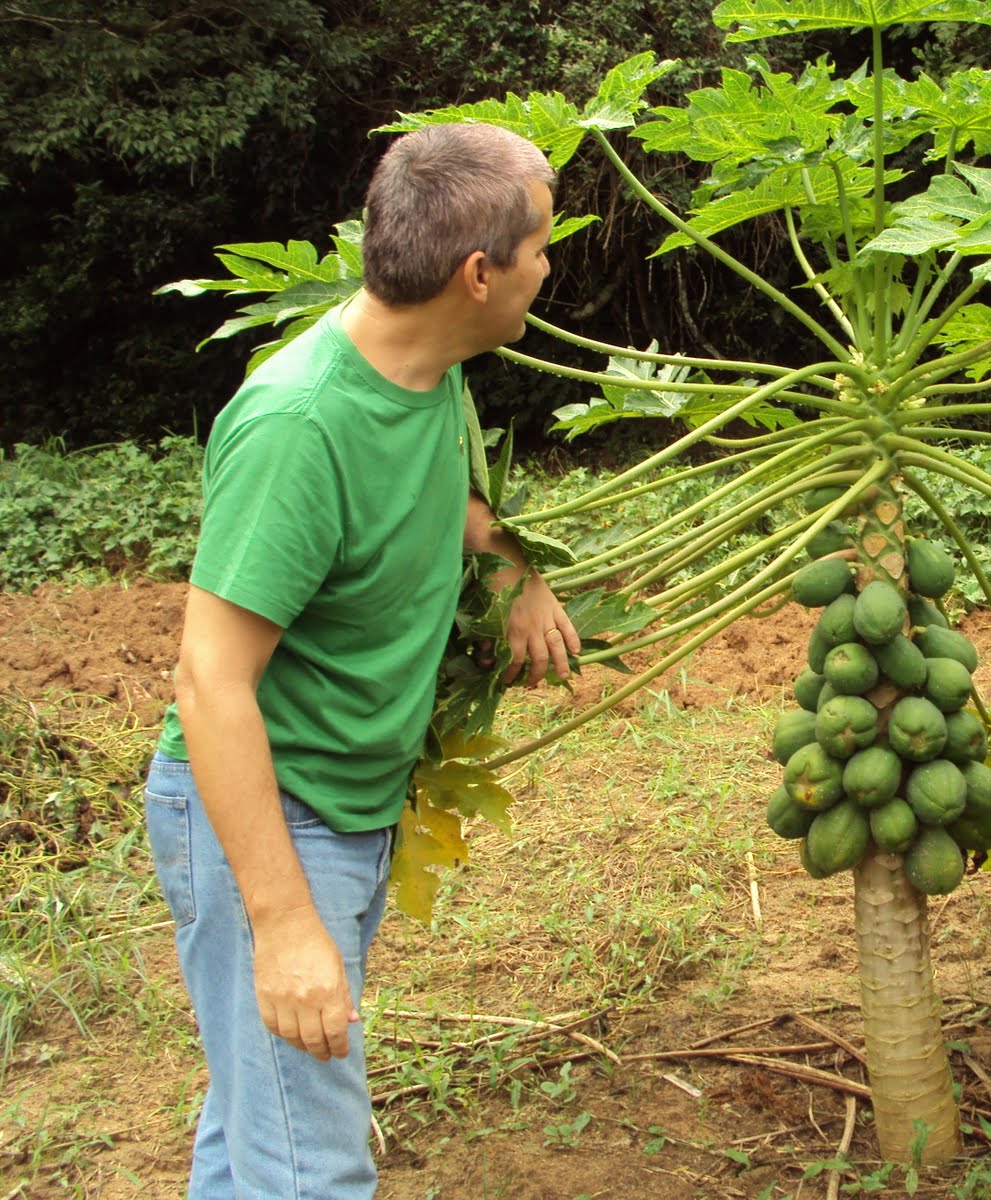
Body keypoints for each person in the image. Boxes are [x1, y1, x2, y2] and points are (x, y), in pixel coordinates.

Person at [143, 122, 579, 1198]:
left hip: (345, 804)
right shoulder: (299, 426)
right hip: (269, 815)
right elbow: (210, 681)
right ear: (479, 274)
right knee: (310, 1168)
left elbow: (452, 490)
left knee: (255, 1125)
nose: (552, 267)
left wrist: (516, 567)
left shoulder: (434, 368)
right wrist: (282, 925)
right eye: (542, 249)